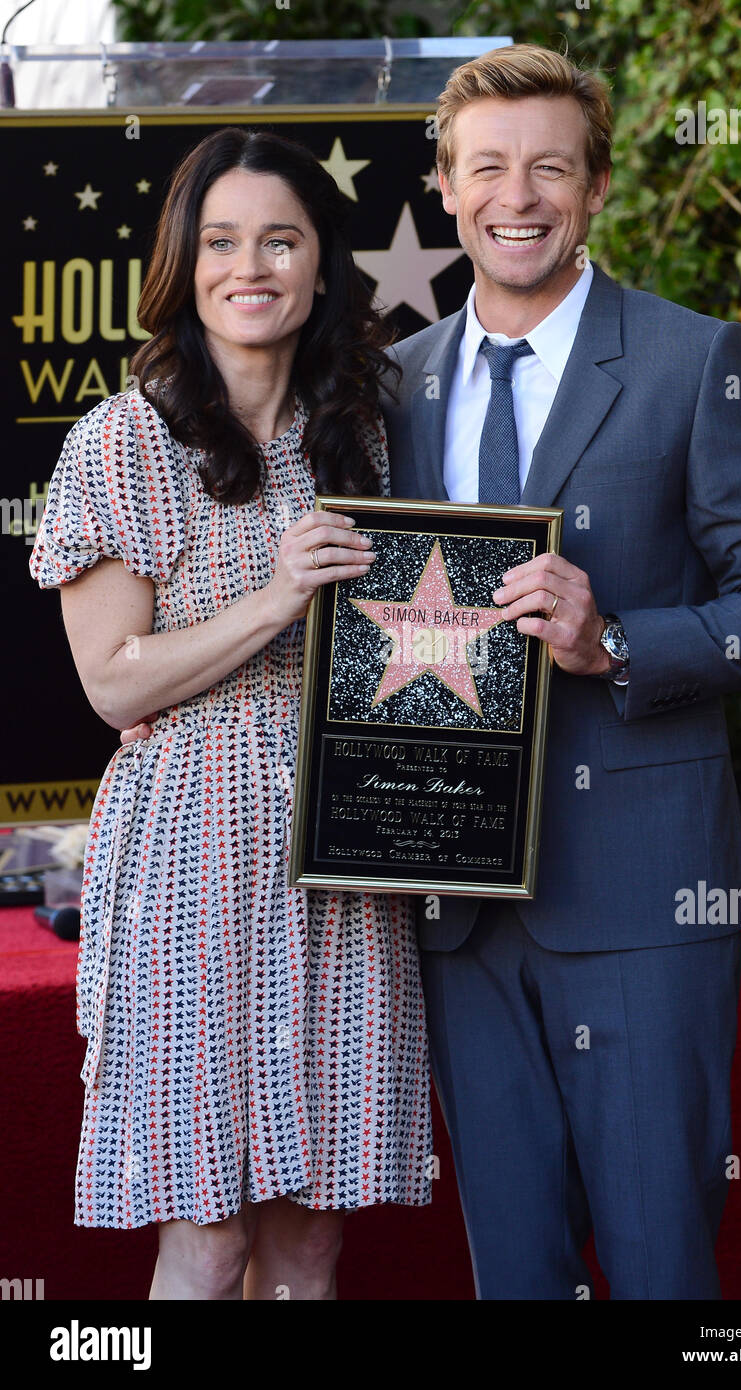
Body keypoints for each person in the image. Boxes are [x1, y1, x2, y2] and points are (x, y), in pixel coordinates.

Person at [380, 45, 741, 1299]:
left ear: (591, 195)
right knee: (514, 1273)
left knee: (657, 1265)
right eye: (487, 167)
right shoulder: (391, 385)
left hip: (645, 906)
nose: (515, 194)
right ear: (444, 188)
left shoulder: (699, 361)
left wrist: (617, 638)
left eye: (548, 167)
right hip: (457, 907)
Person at [30, 128, 431, 1301]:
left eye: (280, 238)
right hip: (189, 854)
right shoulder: (123, 436)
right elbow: (113, 682)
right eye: (220, 240)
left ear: (319, 266)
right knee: (205, 1235)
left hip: (347, 854)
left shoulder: (361, 431)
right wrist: (275, 598)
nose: (248, 265)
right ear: (183, 262)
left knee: (311, 1232)